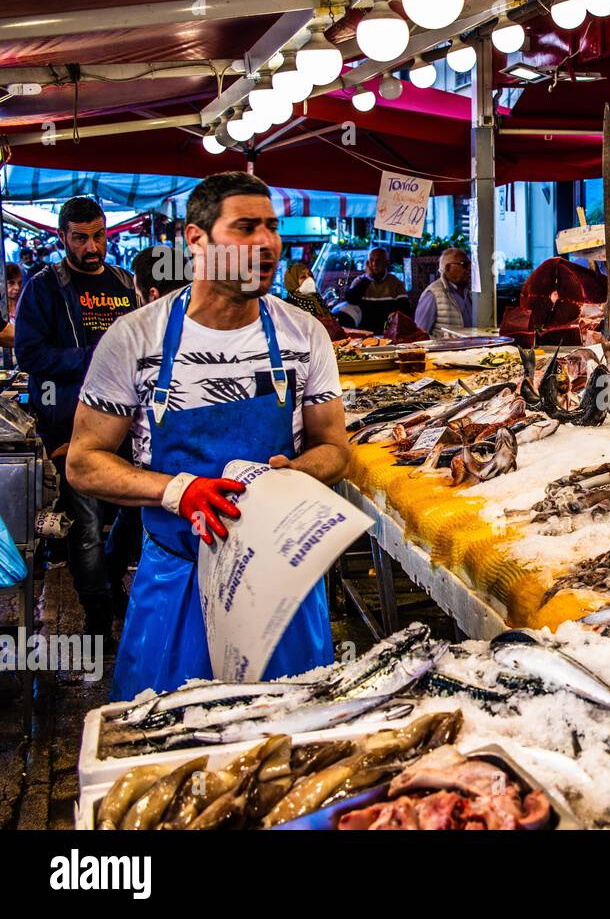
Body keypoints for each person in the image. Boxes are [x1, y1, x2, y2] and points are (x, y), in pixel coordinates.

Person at [67, 171, 350, 701]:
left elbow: (335, 449)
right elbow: (84, 462)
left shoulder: (304, 334)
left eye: (272, 227)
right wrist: (178, 491)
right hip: (176, 580)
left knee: (293, 740)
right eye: (245, 228)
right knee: (166, 747)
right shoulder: (135, 337)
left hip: (280, 586)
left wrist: (291, 475)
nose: (267, 243)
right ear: (196, 240)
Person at [15, 198, 138, 637]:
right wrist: (93, 359)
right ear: (63, 237)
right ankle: (98, 615)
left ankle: (106, 580)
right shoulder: (44, 286)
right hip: (71, 423)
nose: (92, 246)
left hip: (128, 422)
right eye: (82, 238)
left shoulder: (125, 282)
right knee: (84, 522)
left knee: (136, 512)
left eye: (99, 235)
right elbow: (30, 353)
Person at [338, 246, 411, 332]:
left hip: (387, 330)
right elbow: (351, 300)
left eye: (378, 260)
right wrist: (368, 278)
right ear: (367, 263)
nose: (374, 264)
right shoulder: (360, 281)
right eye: (371, 260)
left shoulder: (396, 283)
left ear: (387, 262)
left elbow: (405, 310)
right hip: (364, 331)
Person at [414, 248, 473, 332]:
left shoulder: (471, 292)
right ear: (448, 268)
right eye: (464, 264)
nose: (469, 269)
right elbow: (420, 333)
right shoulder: (433, 294)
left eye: (470, 264)